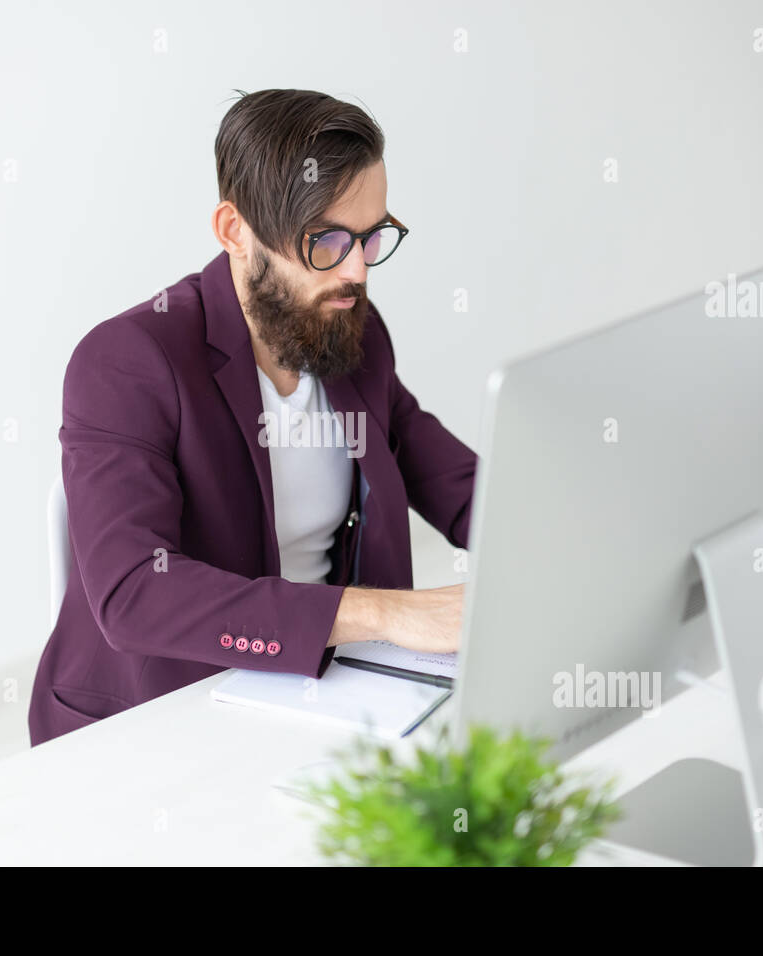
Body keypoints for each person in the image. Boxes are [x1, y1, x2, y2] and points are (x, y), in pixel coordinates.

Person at [28, 89, 477, 746]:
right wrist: (385, 614)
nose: (355, 271)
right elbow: (135, 593)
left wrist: (549, 541)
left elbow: (447, 476)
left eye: (370, 236)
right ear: (235, 231)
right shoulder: (126, 361)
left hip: (324, 689)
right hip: (161, 717)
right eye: (324, 240)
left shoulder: (347, 326)